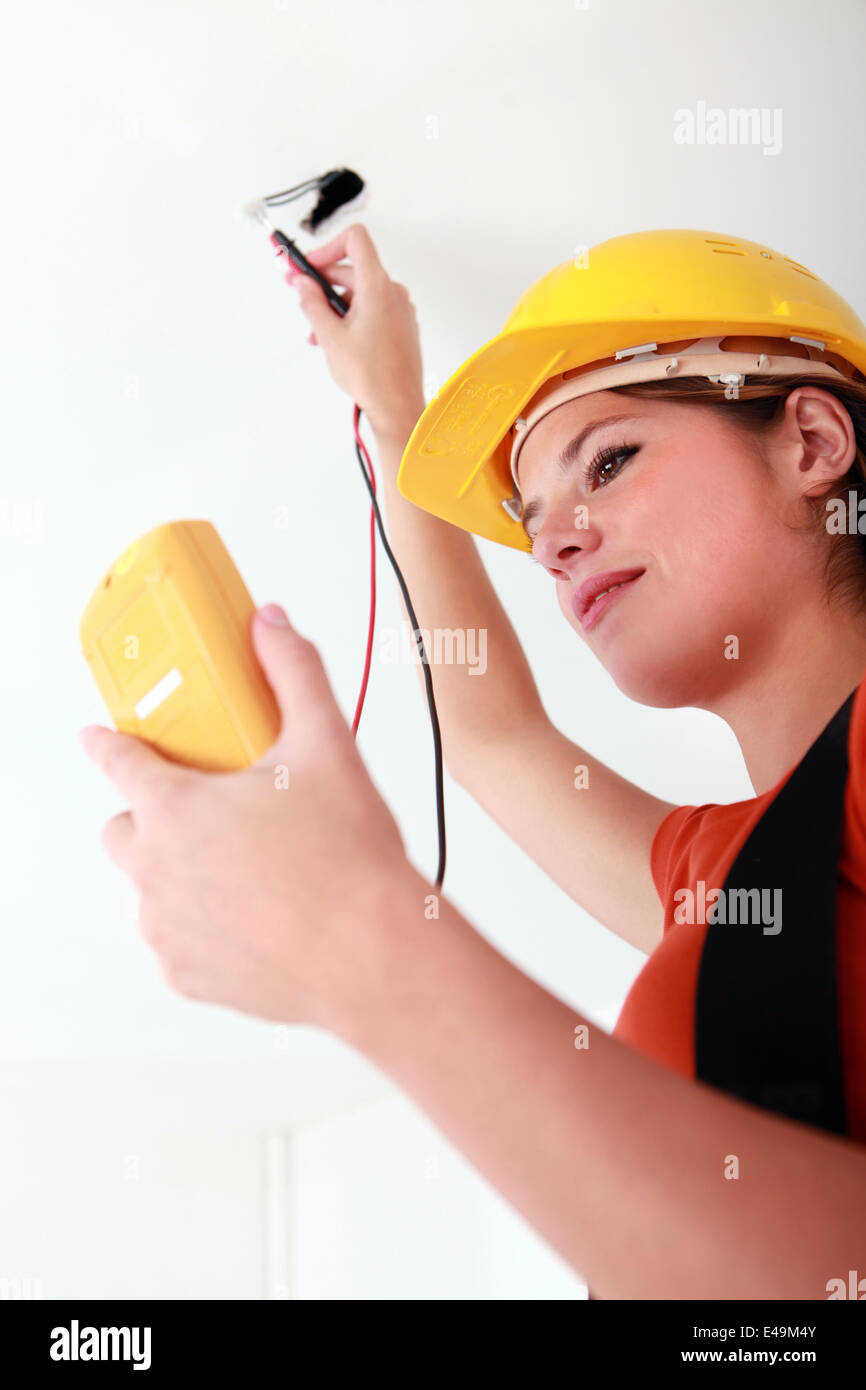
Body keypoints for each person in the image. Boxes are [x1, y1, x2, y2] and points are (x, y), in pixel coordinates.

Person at [80, 224, 866, 1300]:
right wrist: (396, 416)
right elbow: (495, 742)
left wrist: (362, 948)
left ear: (812, 441)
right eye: (531, 518)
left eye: (609, 460)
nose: (553, 543)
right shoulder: (733, 877)